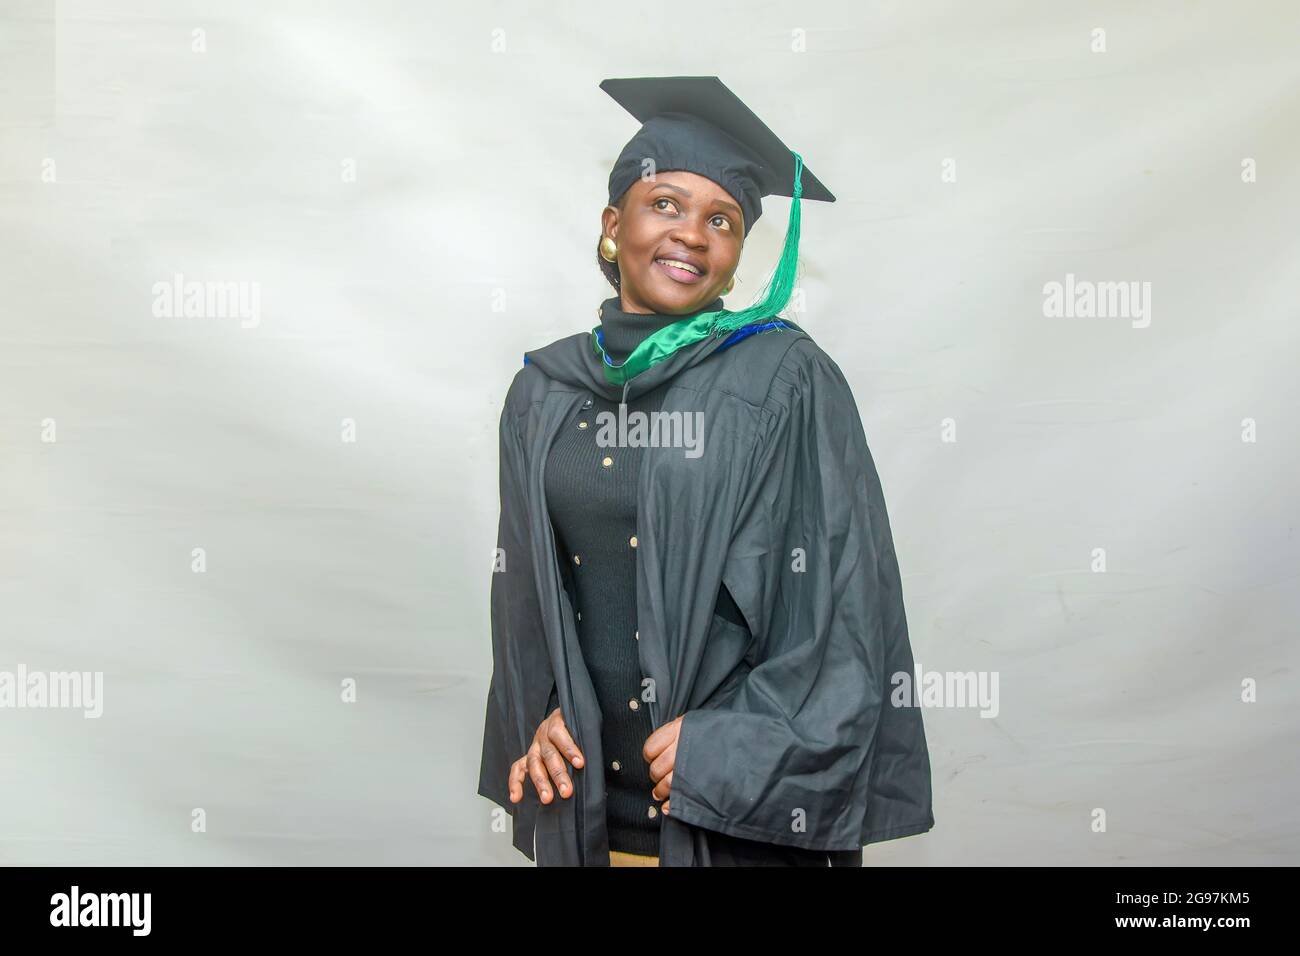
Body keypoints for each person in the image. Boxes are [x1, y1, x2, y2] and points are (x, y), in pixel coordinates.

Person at [477, 76, 934, 867]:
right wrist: (541, 711)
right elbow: (526, 595)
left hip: (732, 819)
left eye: (720, 220)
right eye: (665, 205)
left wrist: (734, 744)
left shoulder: (782, 380)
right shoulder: (543, 392)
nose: (692, 234)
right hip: (590, 822)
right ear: (613, 226)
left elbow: (844, 608)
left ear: (735, 257)